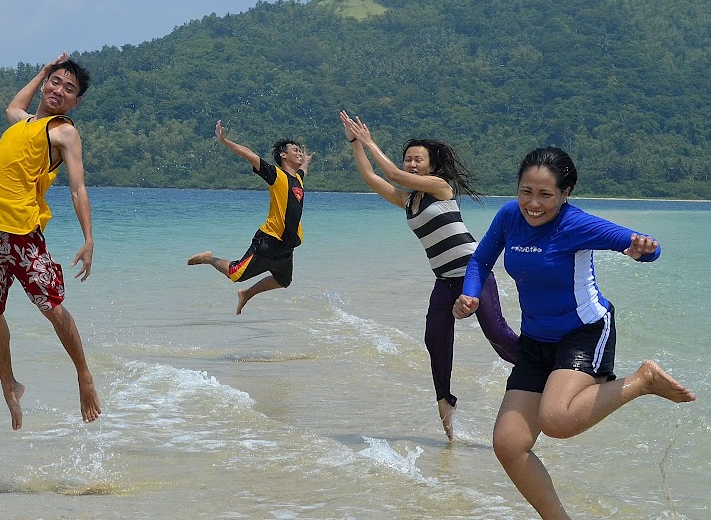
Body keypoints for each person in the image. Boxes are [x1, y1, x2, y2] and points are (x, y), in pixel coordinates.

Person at [454, 146, 695, 520]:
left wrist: (643, 249)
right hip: (536, 342)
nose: (533, 202)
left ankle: (641, 381)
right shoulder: (509, 216)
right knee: (509, 444)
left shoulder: (576, 224)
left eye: (545, 194)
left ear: (565, 193)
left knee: (558, 420)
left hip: (584, 332)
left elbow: (644, 248)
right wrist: (471, 293)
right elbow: (480, 260)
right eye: (526, 191)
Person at [339, 111, 519, 441]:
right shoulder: (408, 201)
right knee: (434, 339)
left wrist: (369, 140)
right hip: (444, 280)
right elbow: (372, 177)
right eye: (407, 159)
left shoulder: (440, 187)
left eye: (417, 160)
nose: (410, 165)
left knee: (497, 333)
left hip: (473, 272)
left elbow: (390, 172)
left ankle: (542, 367)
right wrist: (356, 144)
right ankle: (445, 400)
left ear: (431, 166)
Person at [0, 53, 101, 430]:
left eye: (69, 89)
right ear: (45, 84)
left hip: (21, 233)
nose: (59, 90)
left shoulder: (62, 132)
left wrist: (88, 238)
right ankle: (10, 385)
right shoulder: (23, 123)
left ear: (76, 102)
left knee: (52, 308)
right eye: (55, 82)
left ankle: (84, 375)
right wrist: (43, 69)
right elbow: (13, 106)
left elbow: (77, 187)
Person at [188, 120, 310, 314]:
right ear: (283, 155)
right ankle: (209, 259)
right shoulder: (276, 175)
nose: (299, 153)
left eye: (300, 151)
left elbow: (303, 168)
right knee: (235, 274)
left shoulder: (299, 180)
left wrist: (307, 161)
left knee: (283, 281)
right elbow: (251, 155)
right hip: (268, 242)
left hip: (287, 247)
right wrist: (225, 141)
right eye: (295, 150)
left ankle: (246, 294)